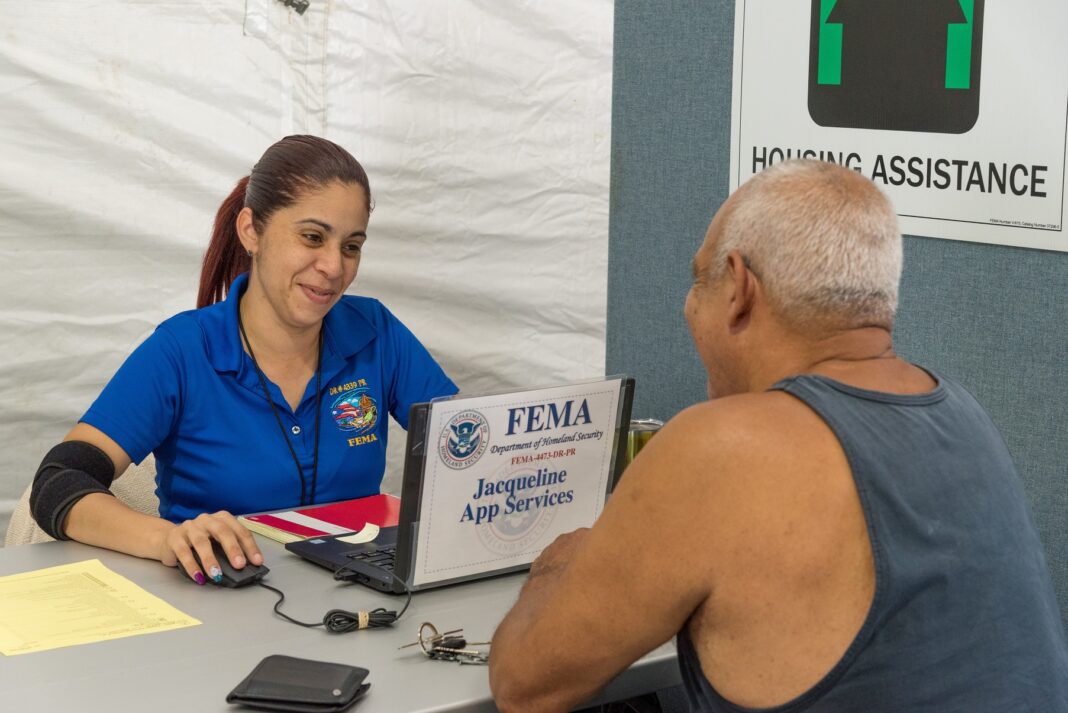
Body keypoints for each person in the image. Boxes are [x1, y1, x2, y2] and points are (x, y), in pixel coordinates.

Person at [489, 160, 1068, 712]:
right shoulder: (964, 414)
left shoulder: (722, 448)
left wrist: (560, 565)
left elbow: (525, 686)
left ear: (739, 288)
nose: (689, 306)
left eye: (698, 281)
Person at [30, 135, 457, 585]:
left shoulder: (377, 332)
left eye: (351, 246)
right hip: (218, 598)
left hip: (361, 599)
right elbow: (58, 482)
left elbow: (470, 452)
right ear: (251, 230)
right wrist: (168, 539)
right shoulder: (181, 350)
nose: (334, 267)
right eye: (312, 237)